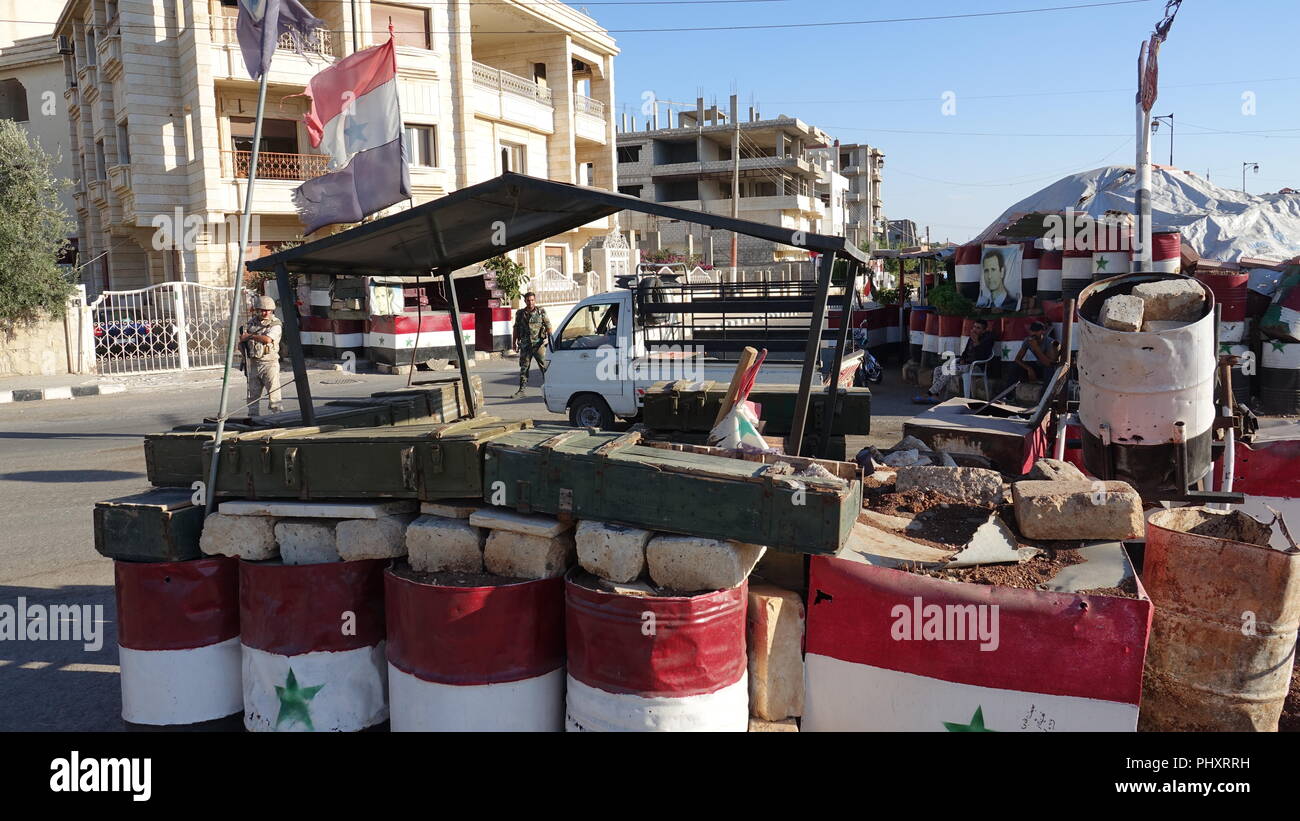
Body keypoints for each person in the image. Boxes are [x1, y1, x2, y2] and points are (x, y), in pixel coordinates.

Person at [914, 318, 996, 403]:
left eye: (978, 328)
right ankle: (935, 395)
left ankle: (930, 393)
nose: (975, 329)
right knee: (938, 369)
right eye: (974, 327)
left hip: (976, 366)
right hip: (965, 365)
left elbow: (982, 356)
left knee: (949, 370)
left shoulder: (987, 339)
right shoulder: (972, 338)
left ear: (984, 330)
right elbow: (965, 352)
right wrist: (962, 359)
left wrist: (976, 342)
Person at [241, 295, 283, 416]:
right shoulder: (251, 324)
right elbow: (242, 341)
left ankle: (279, 418)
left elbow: (268, 339)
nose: (266, 313)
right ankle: (253, 419)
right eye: (263, 310)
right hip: (253, 363)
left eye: (268, 310)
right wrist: (242, 347)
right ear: (257, 310)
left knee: (274, 395)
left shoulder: (275, 324)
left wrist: (249, 336)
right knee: (252, 395)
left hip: (269, 363)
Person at [513, 292, 552, 398]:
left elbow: (548, 326)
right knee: (524, 368)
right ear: (525, 301)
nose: (530, 302)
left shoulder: (541, 311)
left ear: (535, 300)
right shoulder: (520, 313)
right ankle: (521, 390)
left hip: (538, 345)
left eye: (532, 300)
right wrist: (514, 342)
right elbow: (516, 328)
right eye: (528, 300)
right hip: (525, 345)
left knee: (545, 368)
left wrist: (551, 340)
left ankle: (550, 388)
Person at [1012, 321, 1060, 386]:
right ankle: (1011, 392)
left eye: (1037, 331)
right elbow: (1017, 359)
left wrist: (1036, 348)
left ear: (1043, 331)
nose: (1034, 333)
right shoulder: (1028, 341)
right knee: (1015, 366)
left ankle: (1045, 392)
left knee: (1049, 370)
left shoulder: (1050, 342)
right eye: (1032, 331)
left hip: (1051, 368)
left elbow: (1048, 364)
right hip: (1039, 365)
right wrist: (1029, 368)